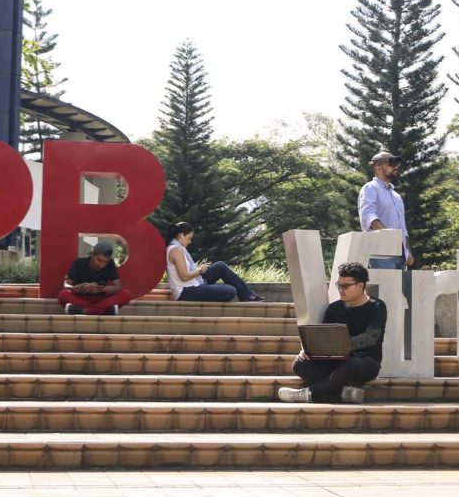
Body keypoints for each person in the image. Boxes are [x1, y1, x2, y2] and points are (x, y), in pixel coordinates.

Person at [278, 262, 385, 404]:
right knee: (300, 364)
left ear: (360, 285)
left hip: (366, 362)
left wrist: (341, 346)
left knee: (351, 364)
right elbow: (323, 336)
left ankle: (309, 394)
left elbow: (370, 338)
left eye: (345, 286)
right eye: (338, 285)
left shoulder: (377, 306)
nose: (341, 290)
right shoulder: (334, 308)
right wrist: (309, 350)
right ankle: (342, 393)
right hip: (336, 360)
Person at [165, 221, 264, 302]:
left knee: (220, 266)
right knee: (230, 291)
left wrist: (200, 269)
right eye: (189, 238)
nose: (190, 242)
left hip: (194, 283)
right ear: (182, 235)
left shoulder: (179, 248)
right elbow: (184, 276)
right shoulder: (176, 251)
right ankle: (240, 294)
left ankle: (247, 295)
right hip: (186, 291)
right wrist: (200, 271)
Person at [357, 150, 414, 269]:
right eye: (391, 164)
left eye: (396, 165)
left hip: (401, 255)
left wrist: (408, 251)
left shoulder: (396, 196)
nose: (395, 167)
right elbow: (368, 216)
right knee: (386, 288)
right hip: (381, 254)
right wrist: (389, 237)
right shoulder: (370, 188)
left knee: (400, 288)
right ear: (378, 167)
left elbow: (403, 228)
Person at [58, 240, 133, 315]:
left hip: (101, 299)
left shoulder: (110, 263)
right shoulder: (79, 263)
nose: (101, 265)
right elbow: (66, 286)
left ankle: (86, 311)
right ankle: (103, 311)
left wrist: (103, 289)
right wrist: (81, 287)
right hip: (81, 298)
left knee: (126, 294)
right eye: (99, 260)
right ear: (93, 254)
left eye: (105, 262)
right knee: (63, 294)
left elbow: (118, 287)